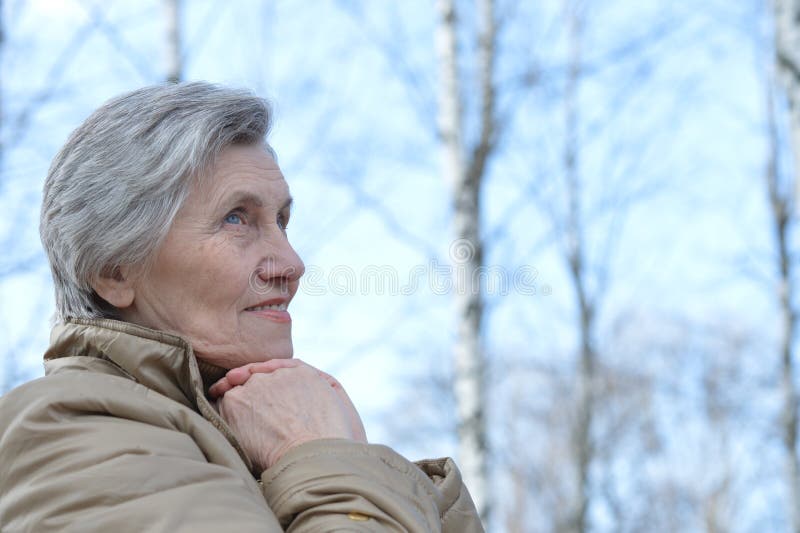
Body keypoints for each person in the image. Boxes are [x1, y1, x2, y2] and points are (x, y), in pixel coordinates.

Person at [0, 82, 484, 532]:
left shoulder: (253, 433)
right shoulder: (64, 431)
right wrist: (321, 454)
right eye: (237, 219)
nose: (291, 265)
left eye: (282, 221)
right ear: (115, 270)